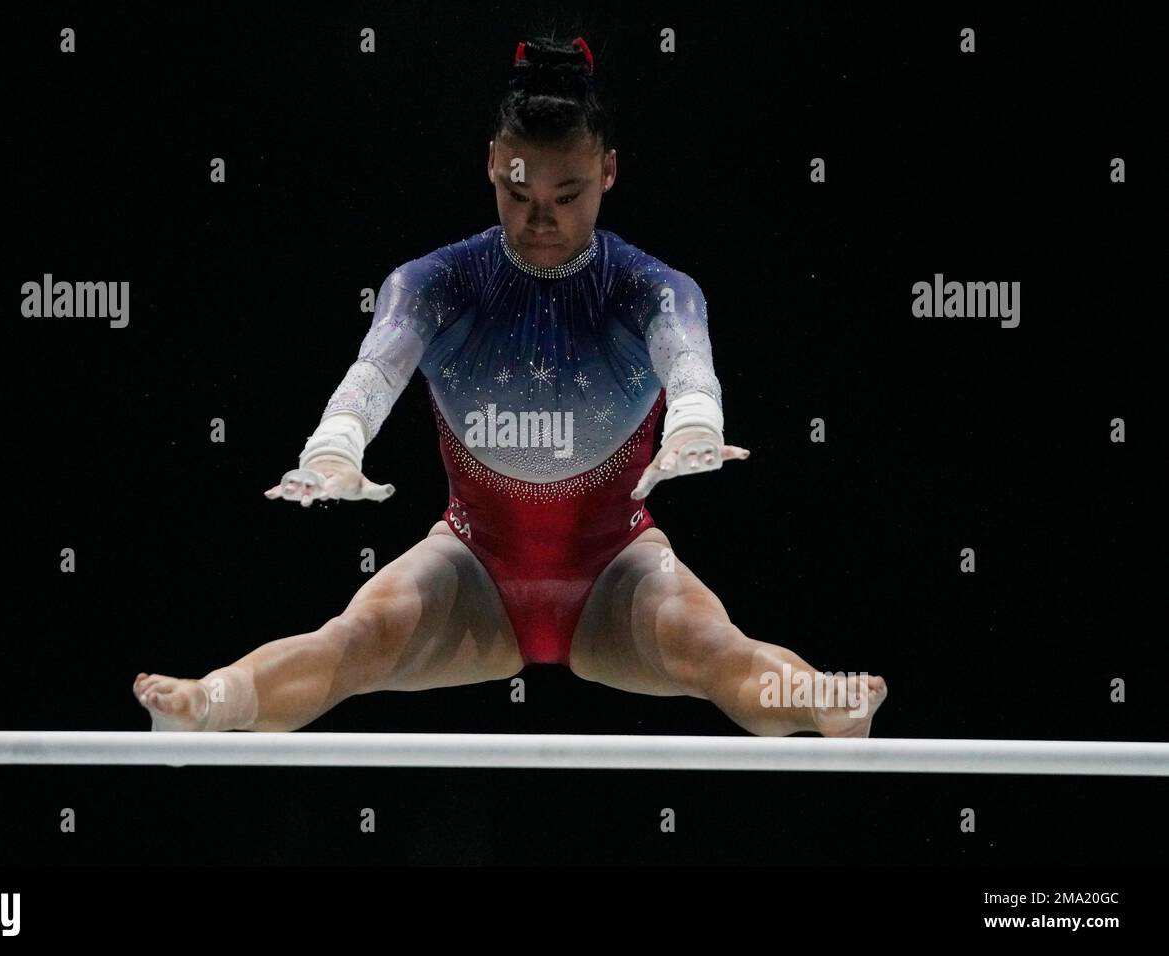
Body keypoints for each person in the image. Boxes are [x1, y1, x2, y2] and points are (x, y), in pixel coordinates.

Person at [134, 35, 887, 737]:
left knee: (715, 647)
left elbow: (690, 368)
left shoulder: (650, 289)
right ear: (495, 162)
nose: (543, 220)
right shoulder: (436, 284)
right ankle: (212, 702)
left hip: (618, 570)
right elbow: (373, 374)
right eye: (523, 192)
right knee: (357, 637)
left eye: (570, 195)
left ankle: (822, 700)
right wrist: (334, 448)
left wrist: (695, 428)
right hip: (471, 565)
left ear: (609, 172)